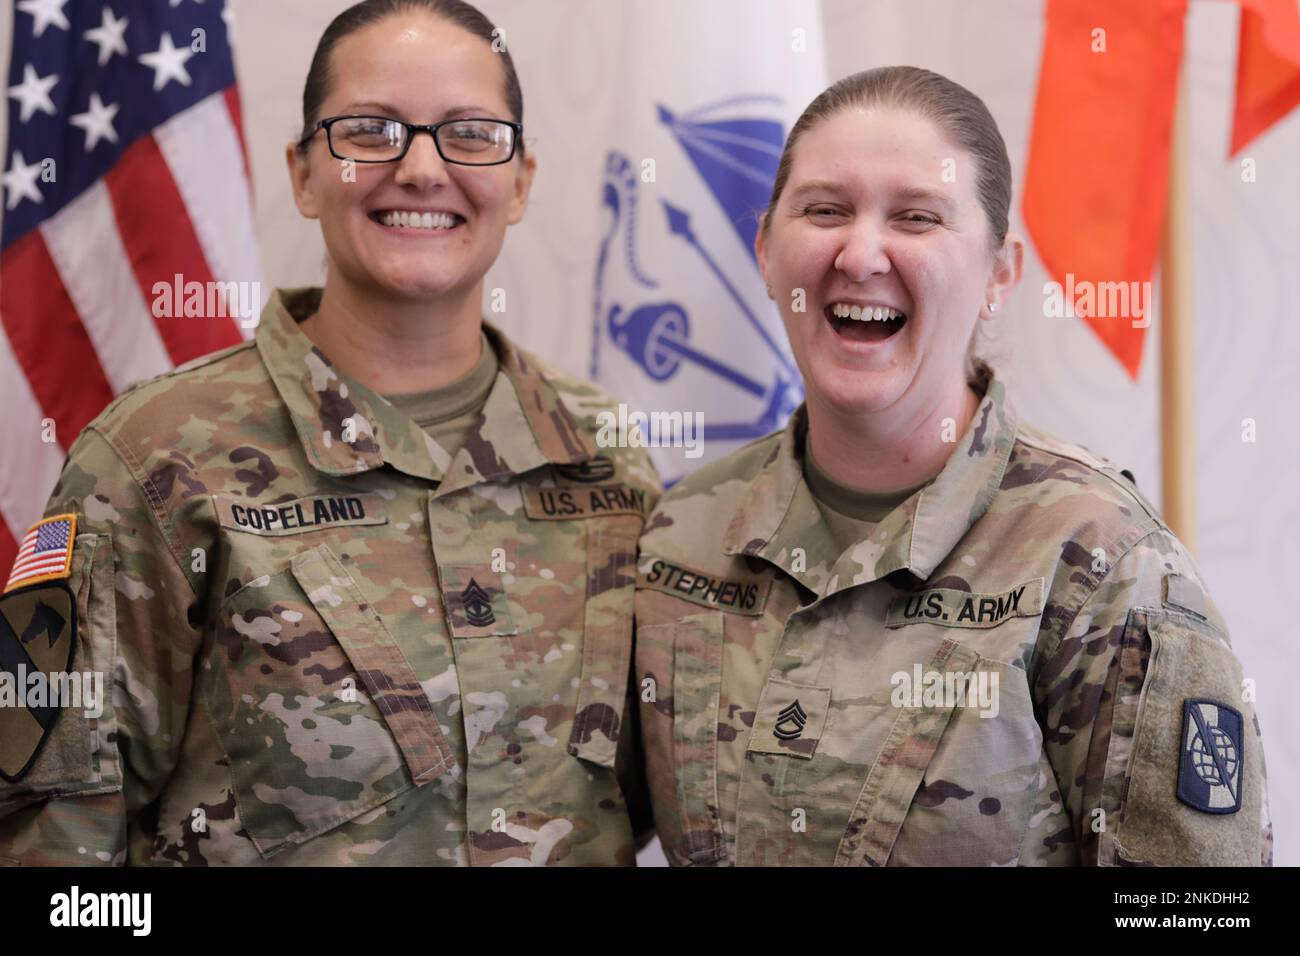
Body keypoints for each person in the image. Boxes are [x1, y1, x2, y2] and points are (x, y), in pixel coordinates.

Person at [0, 0, 658, 866]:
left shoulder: (607, 460)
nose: (422, 169)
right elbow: (56, 860)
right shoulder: (151, 462)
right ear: (304, 175)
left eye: (469, 132)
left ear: (520, 180)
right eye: (370, 130)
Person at [634, 66, 1271, 867]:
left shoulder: (1104, 562)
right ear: (765, 249)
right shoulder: (679, 534)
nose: (861, 252)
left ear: (1000, 273)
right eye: (825, 209)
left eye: (917, 217)